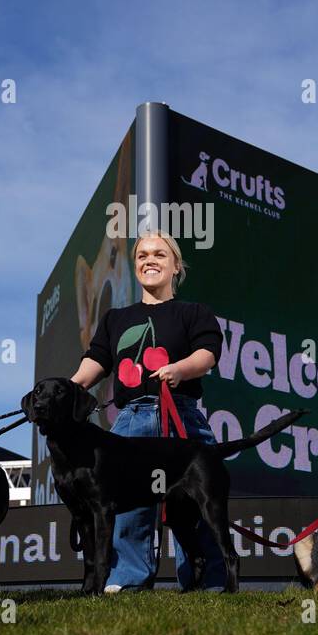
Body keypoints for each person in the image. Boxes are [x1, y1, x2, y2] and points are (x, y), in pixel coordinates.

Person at [69, 230, 226, 591]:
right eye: (141, 255)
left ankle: (207, 582)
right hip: (131, 419)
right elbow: (97, 360)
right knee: (124, 503)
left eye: (158, 254)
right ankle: (128, 580)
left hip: (181, 416)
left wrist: (178, 370)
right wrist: (72, 385)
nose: (148, 261)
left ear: (176, 267)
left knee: (197, 502)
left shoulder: (194, 312)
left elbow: (207, 355)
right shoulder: (114, 319)